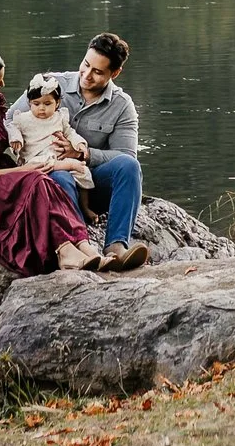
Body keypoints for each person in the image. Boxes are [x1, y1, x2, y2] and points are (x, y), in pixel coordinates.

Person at [0, 48, 100, 273]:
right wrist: (22, 170)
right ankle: (66, 251)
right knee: (34, 179)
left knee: (45, 184)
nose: (1, 86)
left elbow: (19, 128)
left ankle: (85, 248)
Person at [8, 32, 149, 271]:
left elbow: (125, 155)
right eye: (86, 64)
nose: (87, 75)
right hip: (51, 181)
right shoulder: (51, 85)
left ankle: (116, 246)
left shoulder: (122, 105)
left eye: (98, 72)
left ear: (114, 73)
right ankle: (79, 247)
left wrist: (83, 154)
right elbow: (9, 120)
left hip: (90, 184)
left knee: (129, 167)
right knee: (60, 176)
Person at [8, 74, 94, 189]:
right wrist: (16, 139)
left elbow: (70, 132)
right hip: (35, 157)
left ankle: (85, 205)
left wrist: (80, 144)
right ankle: (70, 165)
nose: (42, 108)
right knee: (53, 164)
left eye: (47, 104)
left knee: (83, 171)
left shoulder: (59, 117)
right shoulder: (23, 119)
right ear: (29, 103)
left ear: (57, 103)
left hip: (58, 157)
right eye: (36, 104)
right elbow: (13, 127)